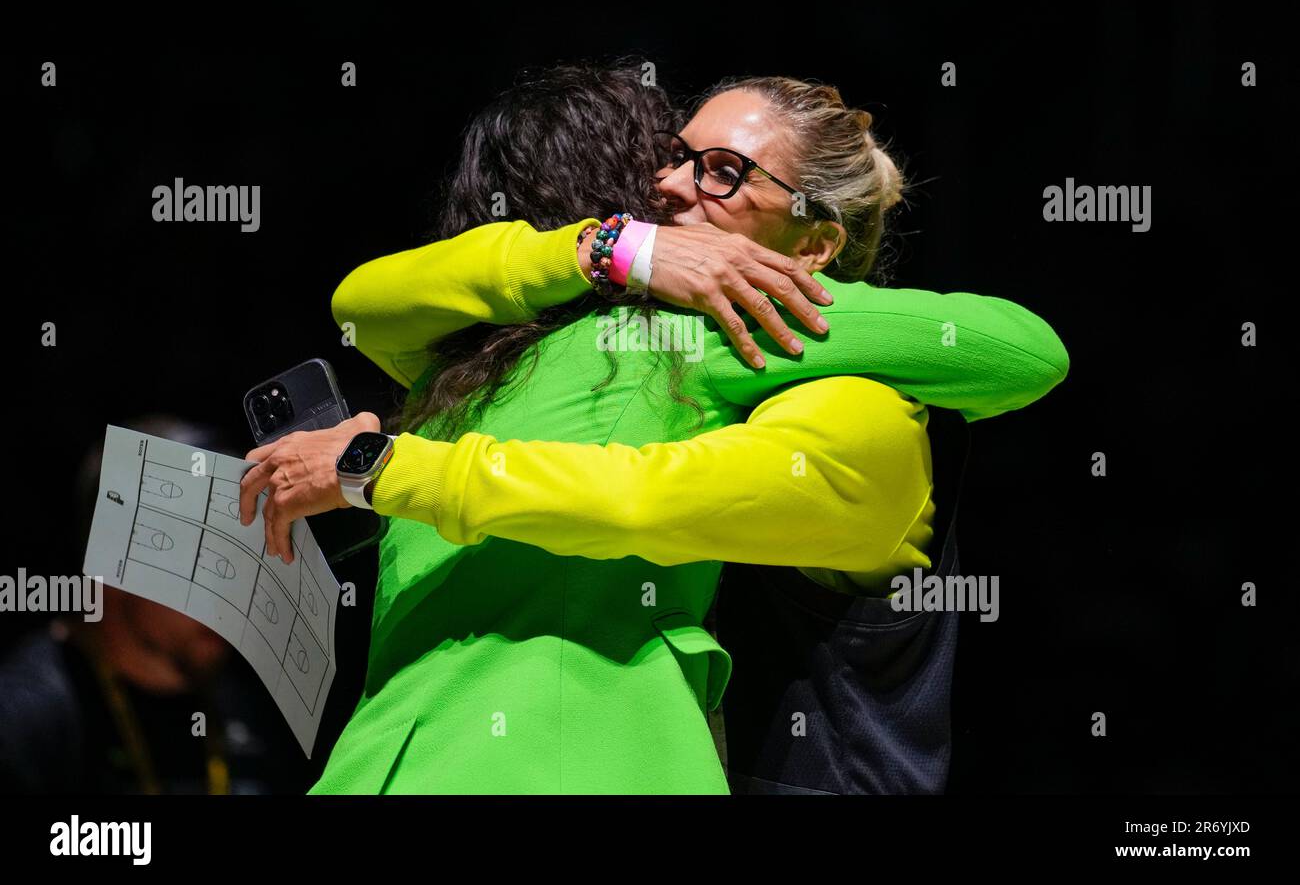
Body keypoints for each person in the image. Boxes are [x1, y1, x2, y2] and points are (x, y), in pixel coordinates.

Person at [242, 63, 1068, 793]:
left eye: (723, 173)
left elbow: (1024, 351)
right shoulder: (558, 329)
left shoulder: (736, 334)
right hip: (383, 760)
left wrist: (381, 468)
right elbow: (362, 305)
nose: (670, 185)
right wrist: (611, 249)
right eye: (676, 158)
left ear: (814, 244)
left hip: (562, 764)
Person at [0, 416, 311, 794]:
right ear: (114, 555)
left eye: (240, 552)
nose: (232, 589)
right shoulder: (24, 720)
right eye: (200, 554)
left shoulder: (255, 721)